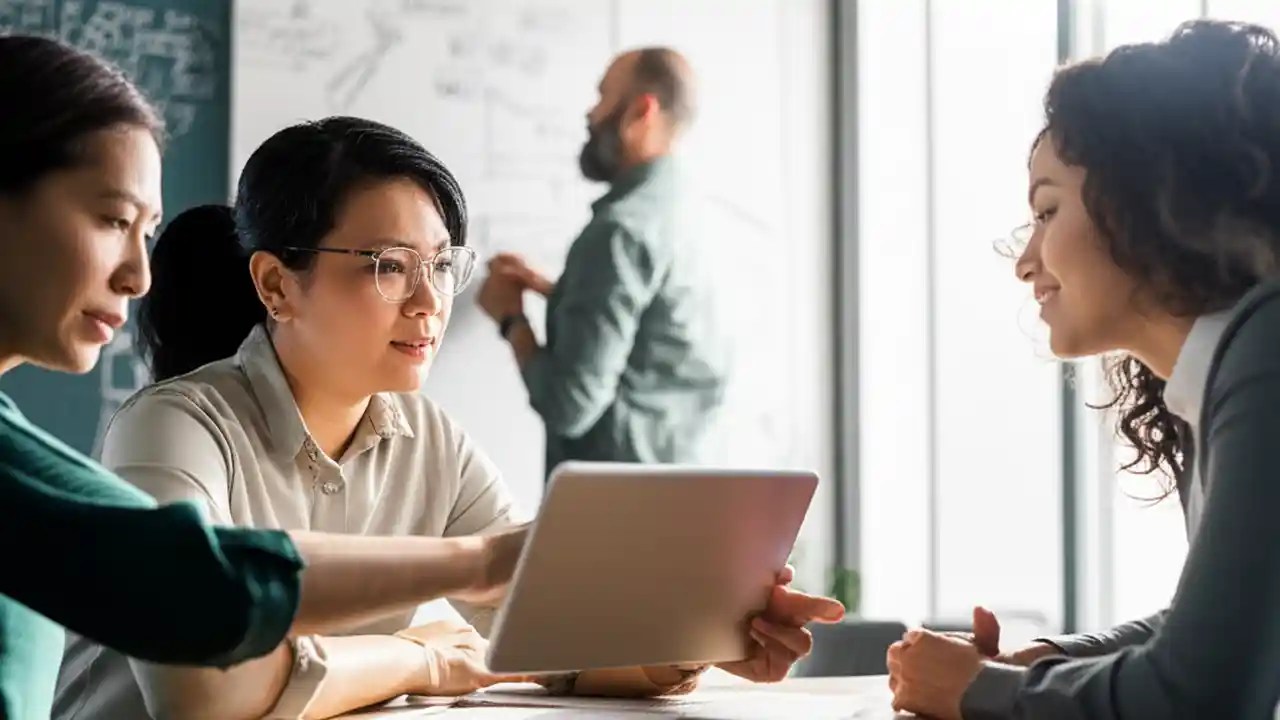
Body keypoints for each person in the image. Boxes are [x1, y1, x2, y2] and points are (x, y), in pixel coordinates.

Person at [54, 115, 845, 719]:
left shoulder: (429, 436)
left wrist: (690, 643)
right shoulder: (173, 427)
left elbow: (546, 639)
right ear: (277, 286)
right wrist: (417, 659)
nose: (432, 302)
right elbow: (204, 696)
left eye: (441, 264)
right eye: (390, 268)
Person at [0, 35, 527, 720]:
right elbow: (198, 599)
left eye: (146, 231)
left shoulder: (14, 446)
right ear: (275, 286)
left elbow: (185, 570)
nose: (138, 277)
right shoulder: (173, 423)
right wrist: (461, 591)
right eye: (111, 220)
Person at [886, 19, 1280, 720]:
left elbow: (1202, 696)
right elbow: (1224, 632)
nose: (1025, 260)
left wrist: (979, 692)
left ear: (1147, 198)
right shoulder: (1233, 367)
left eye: (1047, 210)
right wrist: (1053, 661)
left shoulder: (1268, 351)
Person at [477, 47, 729, 475]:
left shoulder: (619, 232)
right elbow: (655, 335)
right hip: (685, 489)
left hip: (617, 513)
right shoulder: (686, 210)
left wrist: (511, 320)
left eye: (602, 96)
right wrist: (558, 293)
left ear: (640, 111)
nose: (591, 115)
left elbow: (569, 405)